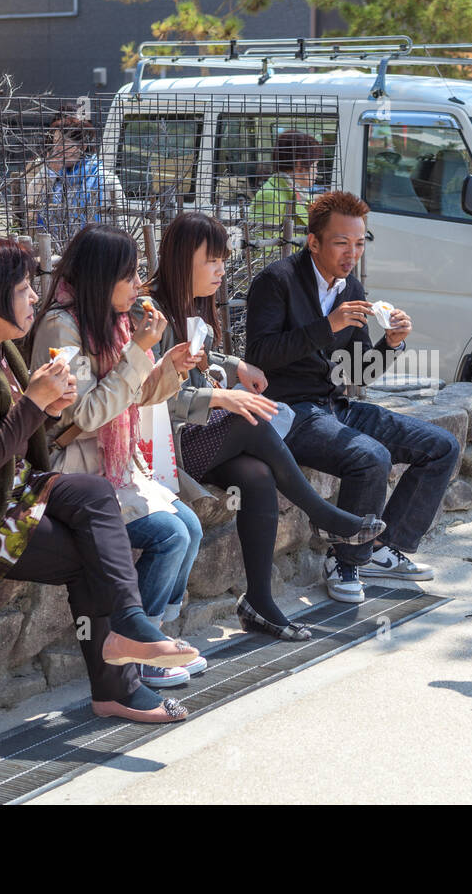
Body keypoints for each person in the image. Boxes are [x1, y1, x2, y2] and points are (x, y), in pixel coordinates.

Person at [0, 239, 198, 724]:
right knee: (90, 555)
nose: (32, 298)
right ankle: (117, 688)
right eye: (22, 289)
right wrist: (34, 404)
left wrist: (46, 404)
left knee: (94, 494)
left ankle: (129, 624)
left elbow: (25, 436)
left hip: (6, 488)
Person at [149, 210, 387, 640]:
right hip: (164, 446)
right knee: (254, 417)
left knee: (257, 475)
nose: (223, 270)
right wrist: (221, 396)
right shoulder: (152, 314)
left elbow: (202, 357)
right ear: (184, 260)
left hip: (197, 435)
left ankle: (259, 603)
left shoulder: (193, 304)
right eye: (213, 261)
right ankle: (324, 514)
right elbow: (150, 398)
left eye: (224, 260)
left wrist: (235, 364)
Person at [245, 190, 461, 604]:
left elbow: (353, 373)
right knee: (371, 456)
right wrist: (328, 325)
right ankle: (344, 559)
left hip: (334, 406)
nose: (352, 253)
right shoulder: (276, 281)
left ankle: (381, 547)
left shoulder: (351, 288)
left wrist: (391, 344)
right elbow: (260, 355)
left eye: (360, 243)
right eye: (342, 242)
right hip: (289, 410)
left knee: (440, 446)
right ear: (314, 242)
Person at [27, 224, 205, 690]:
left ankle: (157, 635)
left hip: (114, 464)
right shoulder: (61, 325)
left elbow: (134, 396)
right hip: (74, 470)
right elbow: (84, 413)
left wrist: (168, 367)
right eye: (129, 276)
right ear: (102, 277)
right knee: (169, 535)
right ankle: (135, 650)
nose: (138, 285)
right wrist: (141, 352)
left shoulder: (111, 318)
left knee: (192, 526)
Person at [20, 109, 130, 244]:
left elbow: (122, 228)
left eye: (63, 143)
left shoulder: (106, 180)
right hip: (58, 253)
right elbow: (30, 206)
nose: (57, 149)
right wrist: (49, 170)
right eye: (55, 143)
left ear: (82, 147)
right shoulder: (56, 179)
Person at [251, 130, 322, 232]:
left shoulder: (296, 191)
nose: (316, 172)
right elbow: (265, 245)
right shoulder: (270, 196)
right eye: (314, 165)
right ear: (299, 164)